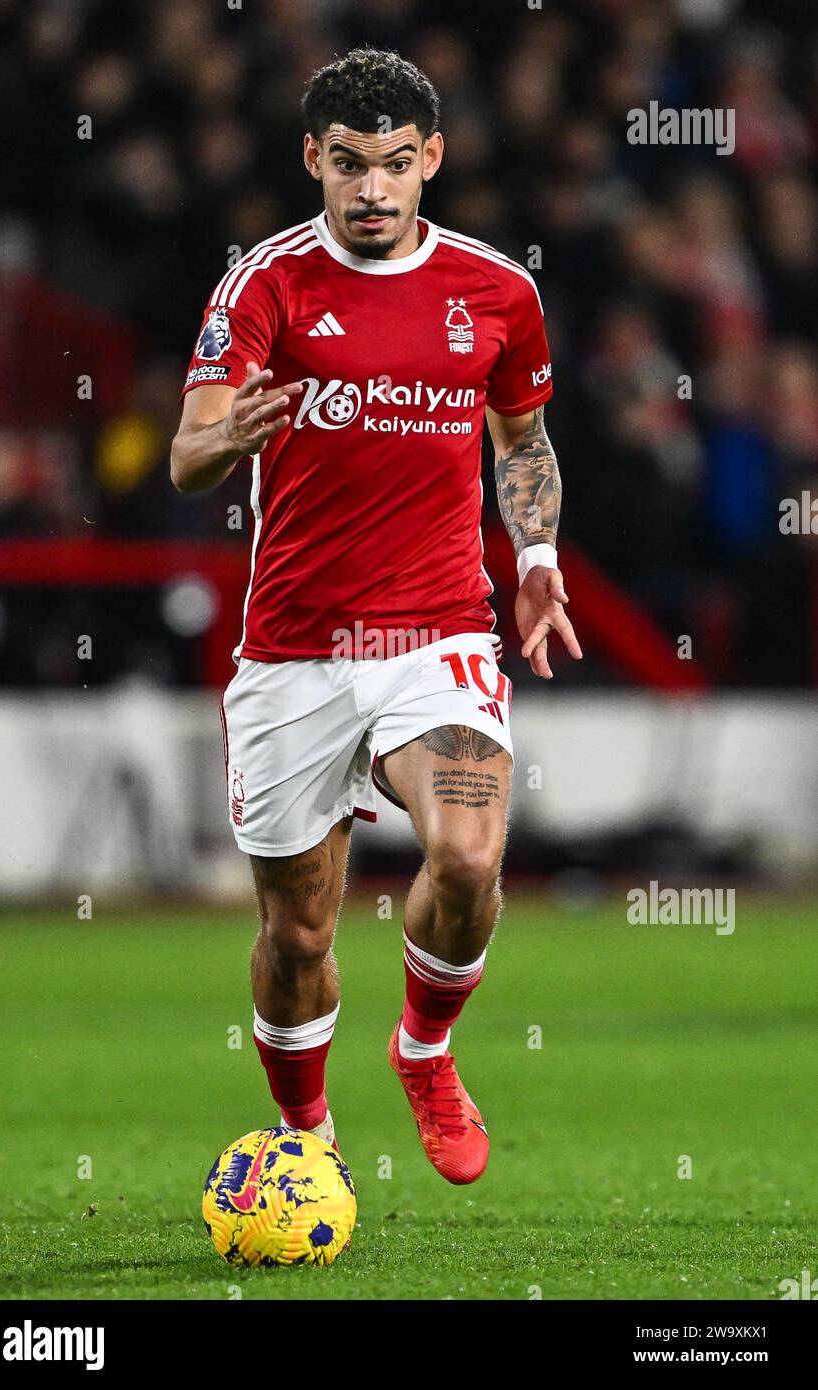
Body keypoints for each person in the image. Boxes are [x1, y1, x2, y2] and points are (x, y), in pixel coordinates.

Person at [171, 47, 581, 1184]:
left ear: (431, 161)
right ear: (312, 159)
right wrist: (229, 439)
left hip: (436, 632)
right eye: (347, 164)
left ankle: (425, 1049)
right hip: (294, 649)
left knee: (466, 856)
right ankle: (306, 1140)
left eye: (396, 164)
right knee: (297, 937)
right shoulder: (262, 285)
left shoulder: (497, 292)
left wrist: (537, 552)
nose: (370, 189)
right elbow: (186, 449)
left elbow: (523, 437)